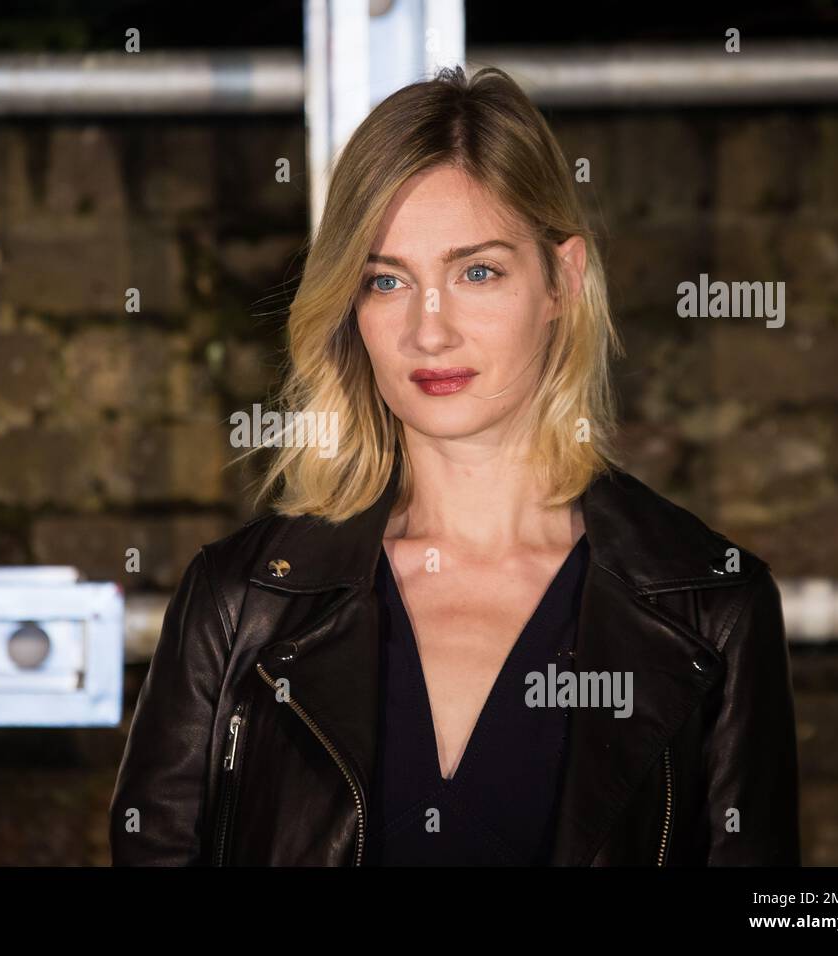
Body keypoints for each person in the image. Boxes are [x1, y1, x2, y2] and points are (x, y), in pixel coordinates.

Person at [109, 65, 800, 866]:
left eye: (477, 272)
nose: (428, 332)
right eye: (386, 280)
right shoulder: (240, 602)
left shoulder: (711, 607)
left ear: (561, 283)